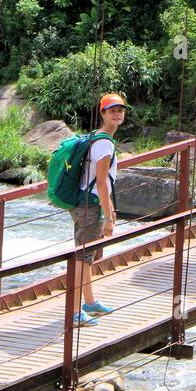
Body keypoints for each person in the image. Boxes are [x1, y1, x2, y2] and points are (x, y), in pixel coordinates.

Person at [69, 92, 126, 326]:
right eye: (112, 110)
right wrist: (108, 217)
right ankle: (73, 312)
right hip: (90, 205)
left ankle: (90, 302)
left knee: (87, 256)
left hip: (84, 203)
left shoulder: (99, 138)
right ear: (102, 113)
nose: (117, 114)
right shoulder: (104, 144)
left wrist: (108, 211)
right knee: (82, 258)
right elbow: (101, 182)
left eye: (120, 110)